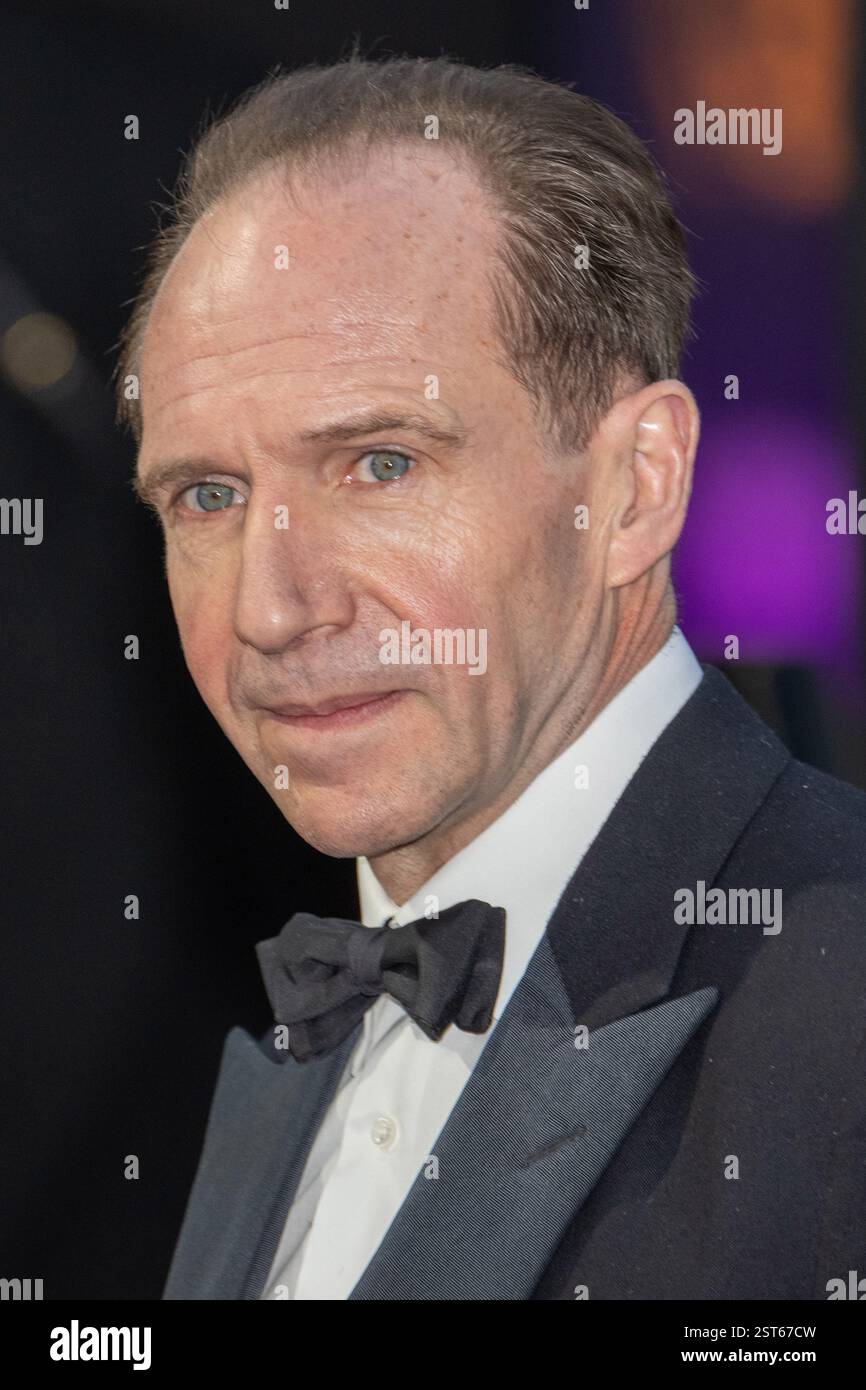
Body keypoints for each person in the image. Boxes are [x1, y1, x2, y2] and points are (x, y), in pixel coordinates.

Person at [117, 55, 866, 1300]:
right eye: (208, 495)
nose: (271, 605)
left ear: (634, 489)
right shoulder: (283, 1057)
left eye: (380, 466)